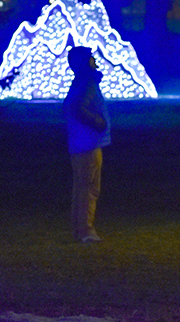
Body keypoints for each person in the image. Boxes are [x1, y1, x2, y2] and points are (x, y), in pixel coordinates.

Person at [63, 45, 111, 242]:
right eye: (91, 57)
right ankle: (85, 230)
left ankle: (80, 228)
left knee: (82, 186)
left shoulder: (81, 83)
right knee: (89, 187)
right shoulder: (86, 83)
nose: (94, 60)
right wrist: (98, 122)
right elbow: (77, 108)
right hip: (88, 143)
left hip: (80, 143)